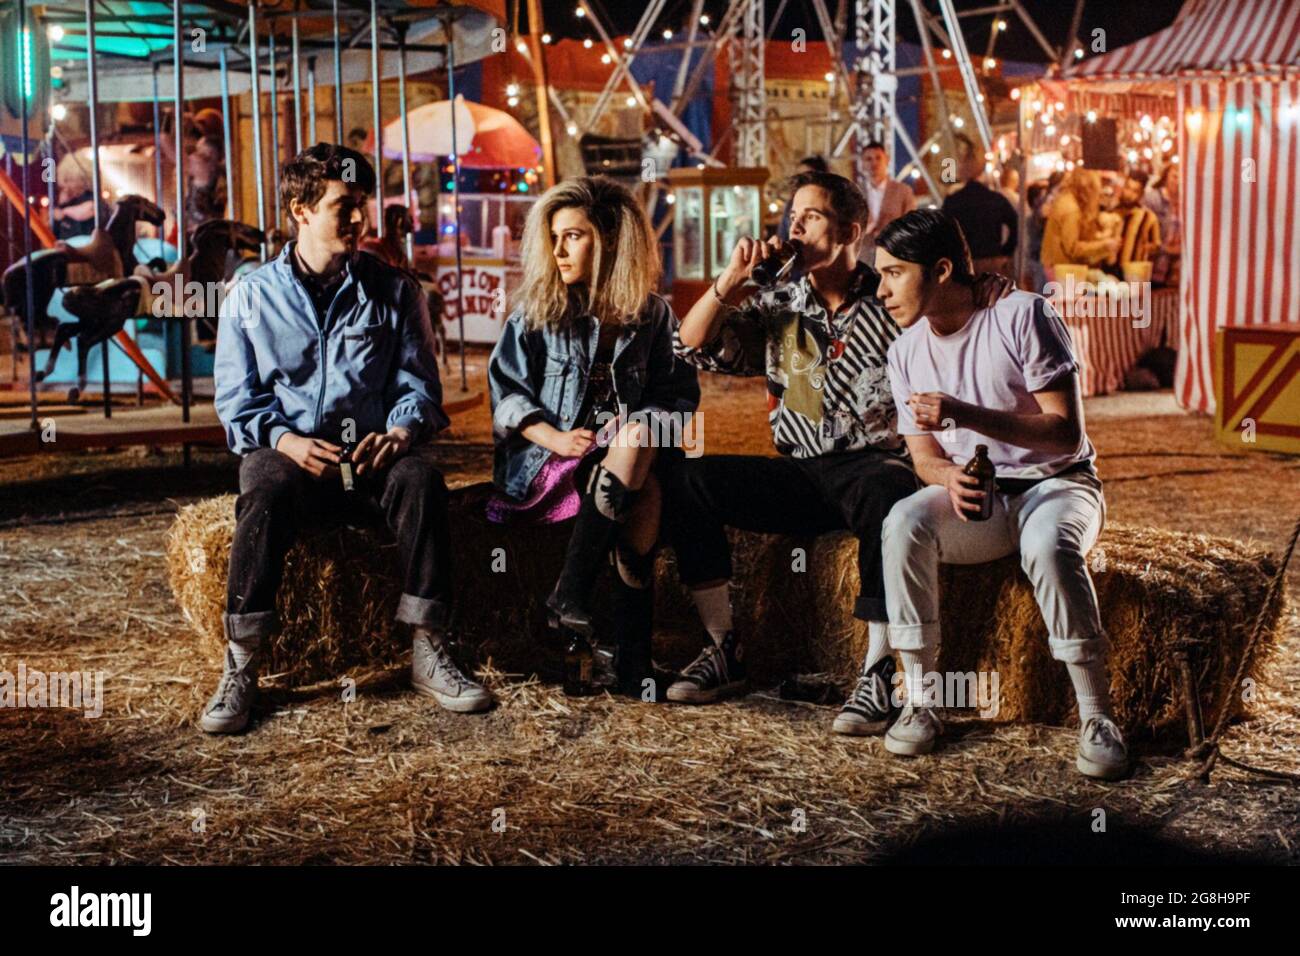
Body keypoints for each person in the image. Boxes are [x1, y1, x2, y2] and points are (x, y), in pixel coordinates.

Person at [664, 170, 1011, 718]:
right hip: (800, 474)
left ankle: (876, 671)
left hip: (871, 468)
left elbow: (956, 311)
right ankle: (724, 647)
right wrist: (730, 280)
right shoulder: (778, 303)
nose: (794, 227)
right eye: (791, 216)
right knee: (687, 477)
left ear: (853, 230)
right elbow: (691, 345)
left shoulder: (891, 296)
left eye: (813, 216)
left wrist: (984, 288)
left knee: (889, 490)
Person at [205, 143, 490, 733]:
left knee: (422, 480)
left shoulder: (395, 291)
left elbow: (419, 386)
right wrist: (285, 441)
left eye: (362, 205)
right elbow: (236, 404)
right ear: (300, 210)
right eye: (344, 206)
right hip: (291, 457)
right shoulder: (251, 298)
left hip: (369, 458)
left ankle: (428, 647)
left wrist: (400, 429)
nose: (360, 220)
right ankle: (241, 663)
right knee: (263, 492)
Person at [874, 208, 1129, 781]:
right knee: (903, 522)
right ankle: (921, 701)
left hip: (1058, 483)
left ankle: (1097, 717)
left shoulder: (1022, 314)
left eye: (894, 273)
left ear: (941, 270)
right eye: (879, 274)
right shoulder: (904, 351)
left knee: (1046, 546)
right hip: (984, 500)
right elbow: (924, 458)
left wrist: (964, 413)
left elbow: (1065, 431)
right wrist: (949, 479)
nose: (882, 289)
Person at [487, 177, 700, 697]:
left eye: (574, 236)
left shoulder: (652, 315)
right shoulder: (538, 312)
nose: (558, 249)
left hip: (623, 459)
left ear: (609, 243)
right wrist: (556, 439)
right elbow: (505, 396)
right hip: (546, 463)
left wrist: (636, 424)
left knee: (642, 458)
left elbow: (680, 398)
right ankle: (627, 651)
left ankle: (579, 608)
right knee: (643, 484)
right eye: (554, 236)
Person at [941, 134, 1017, 275]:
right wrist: (1005, 251)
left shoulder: (953, 201)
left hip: (965, 263)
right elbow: (1014, 225)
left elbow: (943, 234)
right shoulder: (996, 199)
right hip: (993, 262)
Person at [1040, 168, 1120, 278]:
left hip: (1055, 265)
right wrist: (1104, 245)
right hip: (1062, 269)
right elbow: (1073, 248)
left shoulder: (1065, 199)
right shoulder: (1072, 210)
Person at [857, 141, 916, 265]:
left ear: (887, 160)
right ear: (862, 163)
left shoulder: (903, 191)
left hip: (894, 255)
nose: (874, 163)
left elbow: (912, 225)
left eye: (878, 158)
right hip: (863, 258)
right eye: (868, 159)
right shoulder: (855, 192)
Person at [1113, 172, 1161, 276]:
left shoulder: (1149, 217)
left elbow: (1156, 246)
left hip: (1133, 274)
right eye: (1127, 188)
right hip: (1108, 273)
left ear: (1141, 194)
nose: (1129, 194)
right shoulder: (1112, 211)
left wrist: (1145, 249)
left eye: (1135, 191)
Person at [1144, 165, 1181, 286]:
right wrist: (1165, 248)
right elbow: (1143, 236)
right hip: (1154, 265)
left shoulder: (1187, 202)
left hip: (1176, 271)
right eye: (1174, 176)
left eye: (1182, 177)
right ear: (1166, 177)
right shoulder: (1152, 199)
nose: (1178, 181)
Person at [778, 155, 829, 241]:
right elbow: (782, 236)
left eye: (811, 216)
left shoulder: (828, 204)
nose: (801, 181)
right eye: (793, 218)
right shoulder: (790, 204)